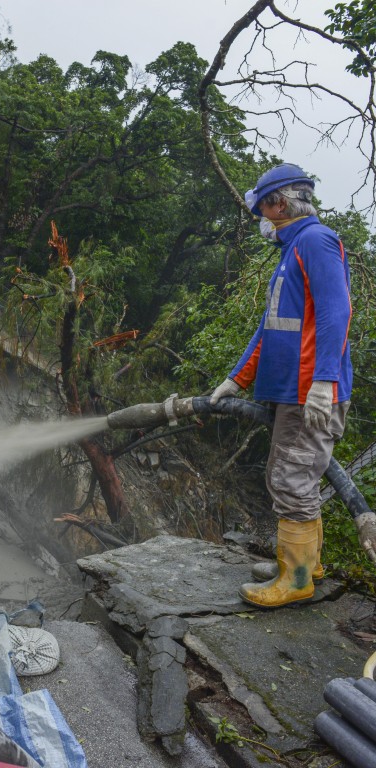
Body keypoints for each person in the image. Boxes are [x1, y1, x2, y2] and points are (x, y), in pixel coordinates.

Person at [210, 162, 352, 609]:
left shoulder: (315, 241)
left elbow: (336, 313)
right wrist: (236, 378)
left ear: (278, 202)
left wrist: (324, 382)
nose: (260, 218)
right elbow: (271, 328)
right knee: (297, 476)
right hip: (292, 389)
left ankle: (298, 579)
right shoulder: (292, 252)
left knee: (290, 478)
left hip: (308, 391)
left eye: (262, 208)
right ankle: (302, 562)